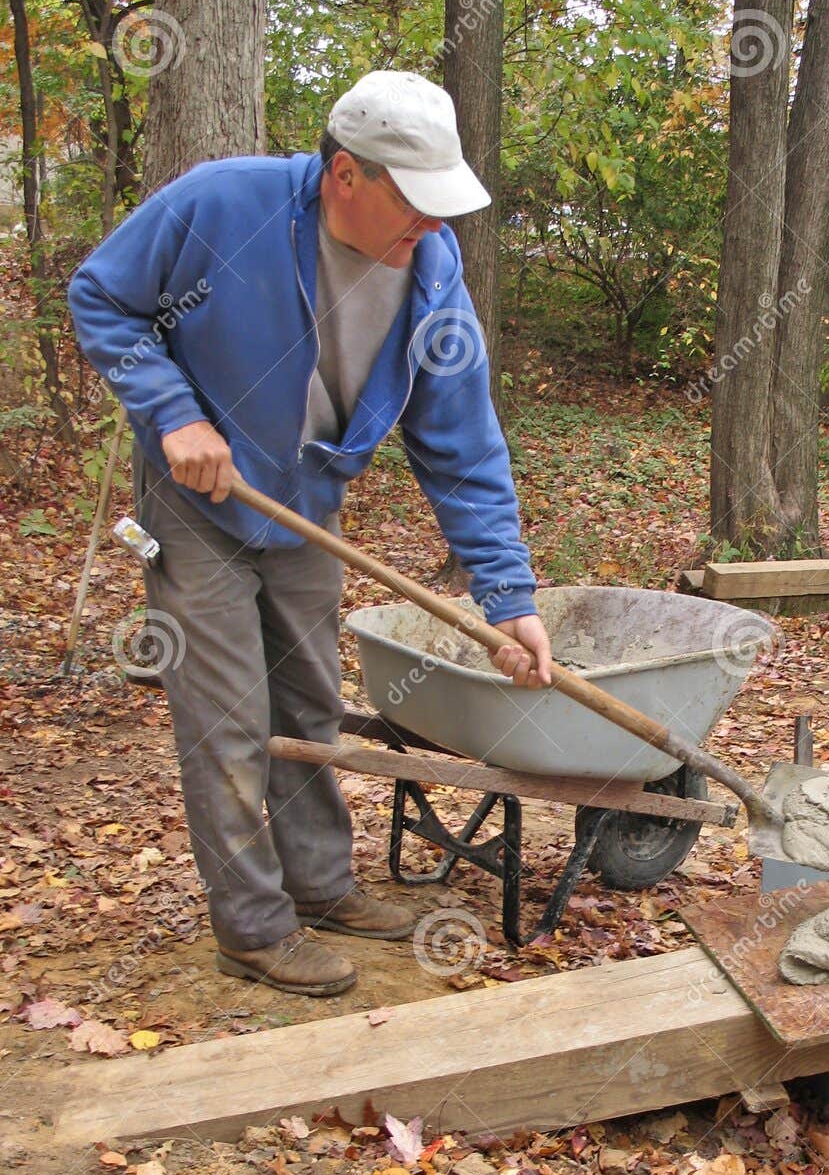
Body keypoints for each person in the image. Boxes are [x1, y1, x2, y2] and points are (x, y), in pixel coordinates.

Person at [68, 71, 552, 998]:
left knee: (308, 704)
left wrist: (509, 598)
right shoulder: (222, 204)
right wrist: (173, 413)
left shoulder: (433, 271)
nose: (434, 231)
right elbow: (102, 298)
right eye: (416, 208)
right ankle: (250, 927)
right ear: (345, 176)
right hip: (198, 502)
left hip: (308, 505)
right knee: (228, 721)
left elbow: (463, 446)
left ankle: (321, 887)